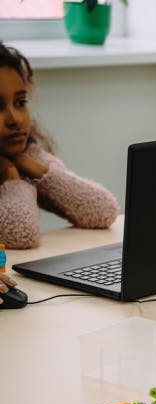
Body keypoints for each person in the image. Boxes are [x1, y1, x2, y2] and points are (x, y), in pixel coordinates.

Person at [0, 41, 118, 250]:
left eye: (20, 103)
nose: (14, 119)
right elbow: (21, 234)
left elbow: (104, 211)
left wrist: (41, 173)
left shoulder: (26, 155)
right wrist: (10, 176)